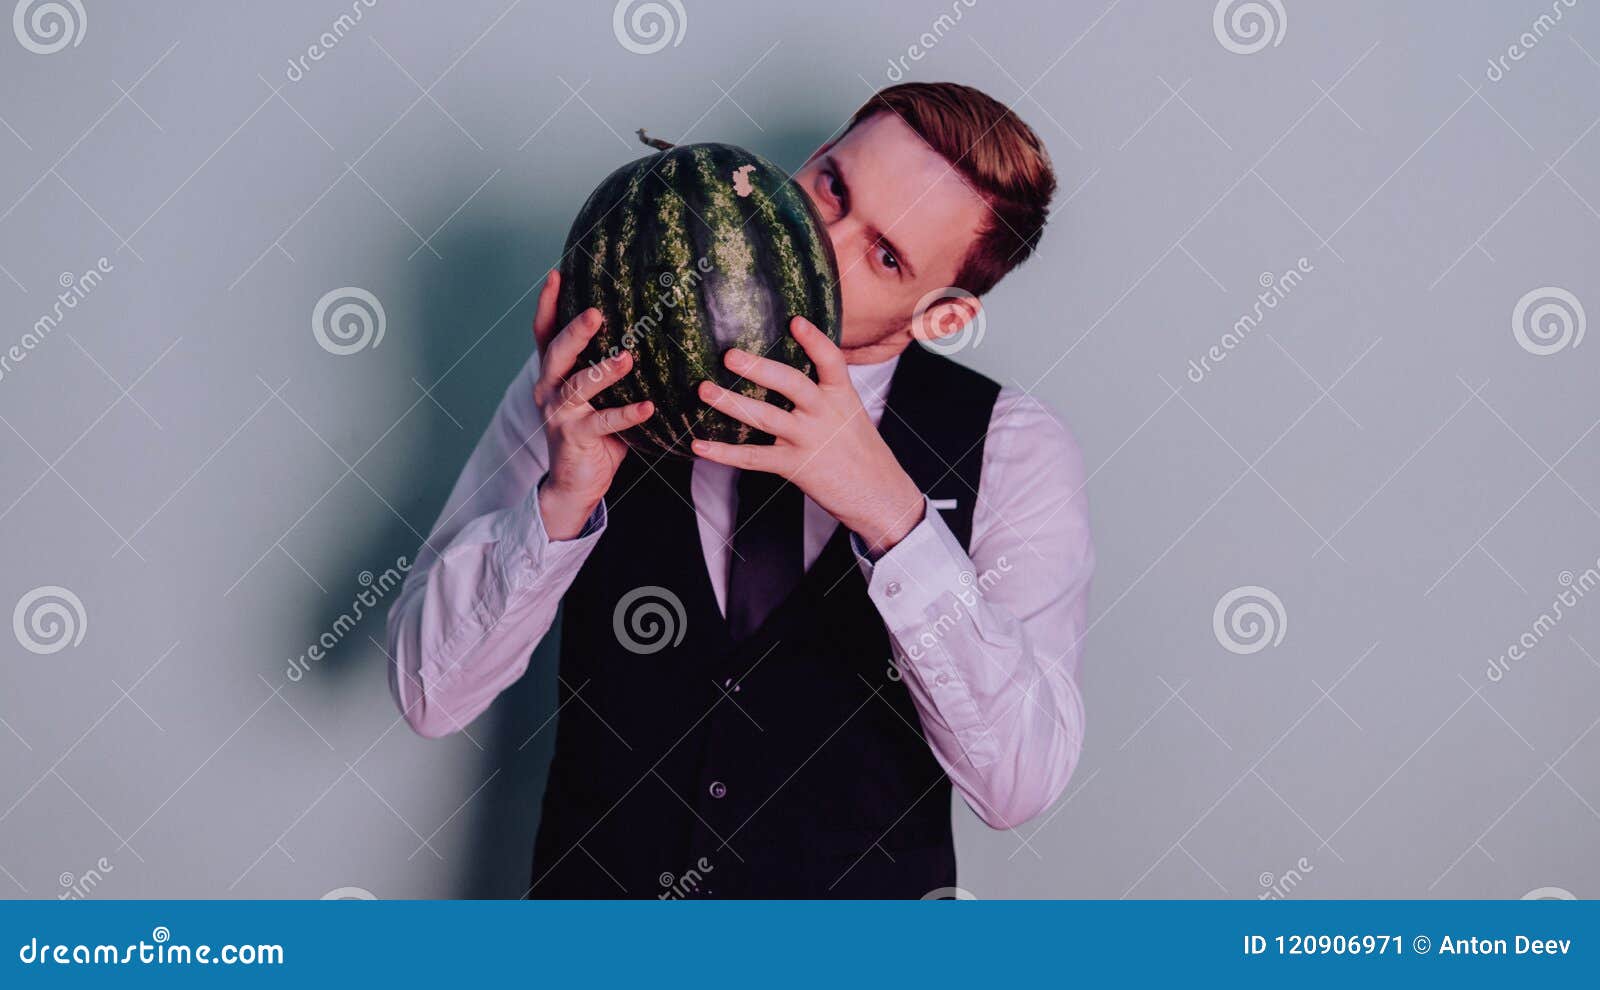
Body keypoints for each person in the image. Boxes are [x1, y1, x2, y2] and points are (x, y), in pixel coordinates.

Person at [386, 82, 1094, 898]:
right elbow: (426, 694)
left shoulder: (1013, 447)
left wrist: (894, 521)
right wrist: (561, 501)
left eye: (885, 255)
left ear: (940, 316)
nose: (821, 243)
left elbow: (1020, 783)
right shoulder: (594, 375)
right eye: (832, 188)